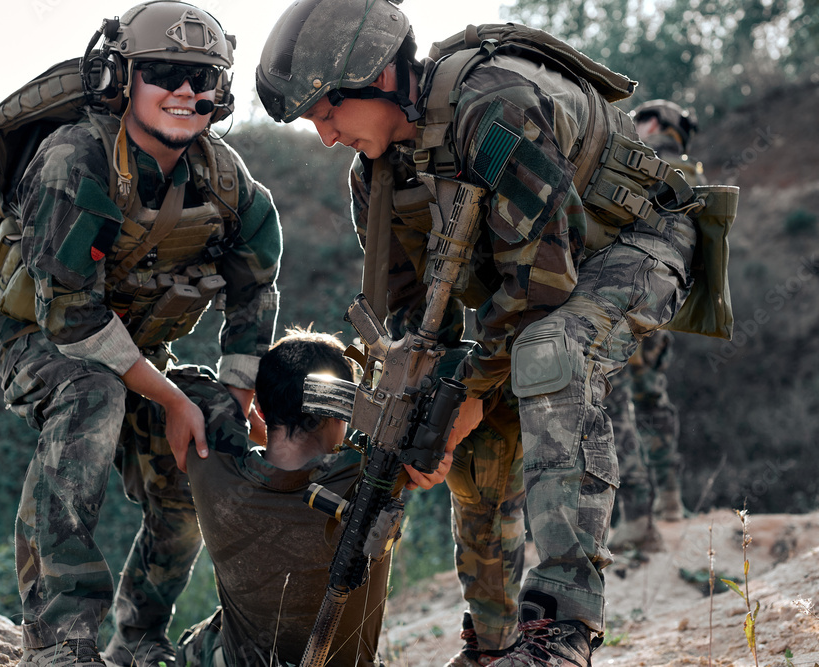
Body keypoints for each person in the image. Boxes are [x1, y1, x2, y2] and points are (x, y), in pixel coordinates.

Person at [256, 4, 704, 665]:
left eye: (329, 112)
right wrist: (423, 415)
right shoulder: (377, 176)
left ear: (379, 76)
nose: (325, 136)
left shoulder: (493, 105)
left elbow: (545, 274)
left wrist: (469, 393)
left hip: (629, 244)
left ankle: (560, 628)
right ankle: (494, 642)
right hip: (529, 286)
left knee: (549, 353)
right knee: (458, 424)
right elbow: (411, 318)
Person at [0, 3, 282, 665]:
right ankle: (60, 639)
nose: (185, 91)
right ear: (124, 77)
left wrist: (229, 396)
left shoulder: (226, 181)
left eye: (201, 77)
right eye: (164, 72)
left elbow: (255, 286)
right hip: (45, 343)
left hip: (139, 351)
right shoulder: (75, 160)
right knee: (94, 394)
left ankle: (141, 637)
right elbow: (74, 321)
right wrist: (170, 400)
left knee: (207, 439)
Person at [152, 329, 390, 666]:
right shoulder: (372, 476)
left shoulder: (211, 464)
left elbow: (192, 382)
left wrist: (239, 413)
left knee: (201, 640)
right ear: (342, 408)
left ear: (261, 408)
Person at [605, 99, 701, 552]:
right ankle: (670, 501)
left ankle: (637, 517)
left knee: (617, 403)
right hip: (662, 307)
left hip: (624, 297)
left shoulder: (645, 162)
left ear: (655, 123)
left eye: (640, 120)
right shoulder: (690, 170)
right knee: (653, 400)